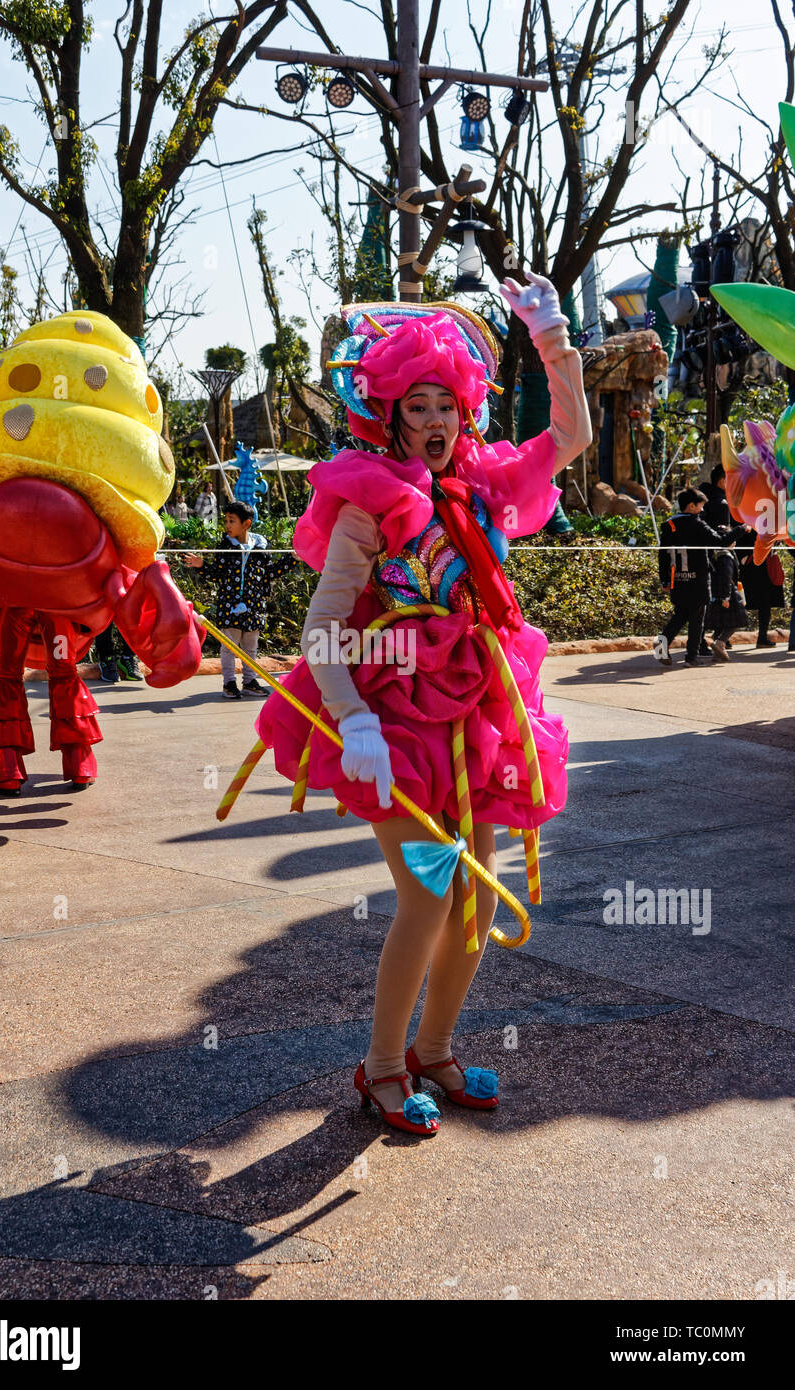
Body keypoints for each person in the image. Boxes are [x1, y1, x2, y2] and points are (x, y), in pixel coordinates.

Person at [243, 279, 591, 1136]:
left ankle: (435, 1051)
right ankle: (384, 1068)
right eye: (416, 404)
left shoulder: (485, 483)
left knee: (476, 898)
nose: (434, 419)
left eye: (446, 402)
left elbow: (573, 436)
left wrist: (552, 342)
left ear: (463, 409)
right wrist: (353, 720)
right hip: (391, 715)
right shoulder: (370, 498)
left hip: (477, 711)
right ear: (390, 415)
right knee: (430, 893)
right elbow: (323, 626)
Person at [184, 500, 296, 699]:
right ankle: (229, 683)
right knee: (229, 646)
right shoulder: (225, 546)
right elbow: (217, 574)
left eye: (231, 521)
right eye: (226, 520)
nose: (227, 525)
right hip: (230, 604)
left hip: (254, 605)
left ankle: (249, 682)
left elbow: (269, 573)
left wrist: (292, 559)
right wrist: (201, 566)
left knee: (250, 646)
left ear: (247, 524)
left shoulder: (261, 545)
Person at [654, 488, 726, 667]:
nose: (702, 510)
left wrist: (664, 579)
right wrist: (741, 529)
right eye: (700, 506)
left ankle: (662, 641)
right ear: (691, 506)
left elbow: (663, 555)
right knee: (697, 619)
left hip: (678, 578)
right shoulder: (698, 524)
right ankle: (691, 657)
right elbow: (719, 542)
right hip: (698, 579)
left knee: (682, 613)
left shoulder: (669, 524)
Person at [733, 525, 784, 647]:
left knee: (765, 603)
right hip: (751, 564)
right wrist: (743, 558)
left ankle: (762, 637)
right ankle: (722, 637)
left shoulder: (773, 521)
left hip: (766, 564)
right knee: (739, 601)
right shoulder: (749, 521)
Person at [705, 532, 747, 662]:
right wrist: (726, 597)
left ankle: (717, 653)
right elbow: (727, 576)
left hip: (715, 592)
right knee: (736, 621)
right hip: (727, 592)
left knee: (720, 623)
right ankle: (721, 643)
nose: (735, 542)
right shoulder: (726, 556)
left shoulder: (714, 553)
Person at [702, 462, 731, 531]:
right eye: (733, 480)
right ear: (722, 482)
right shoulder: (721, 504)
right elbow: (723, 536)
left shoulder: (701, 496)